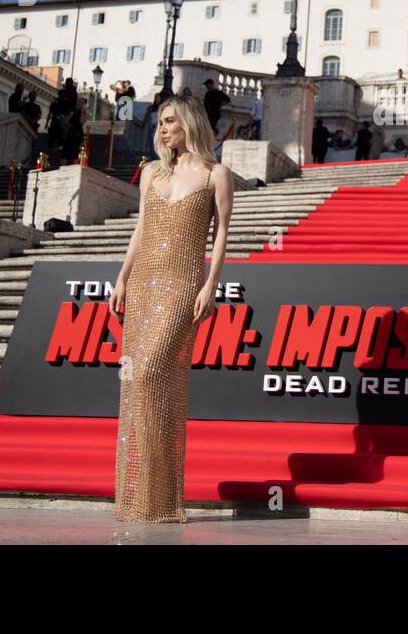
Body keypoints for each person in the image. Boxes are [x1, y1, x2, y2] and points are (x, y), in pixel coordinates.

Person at [109, 95, 233, 524]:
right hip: (143, 283)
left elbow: (220, 235)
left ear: (190, 124)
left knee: (149, 374)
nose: (162, 129)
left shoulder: (217, 175)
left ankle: (160, 495)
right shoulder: (150, 174)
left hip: (183, 284)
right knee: (138, 387)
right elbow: (141, 229)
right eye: (159, 123)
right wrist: (123, 277)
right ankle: (147, 497)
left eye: (169, 121)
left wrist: (210, 284)